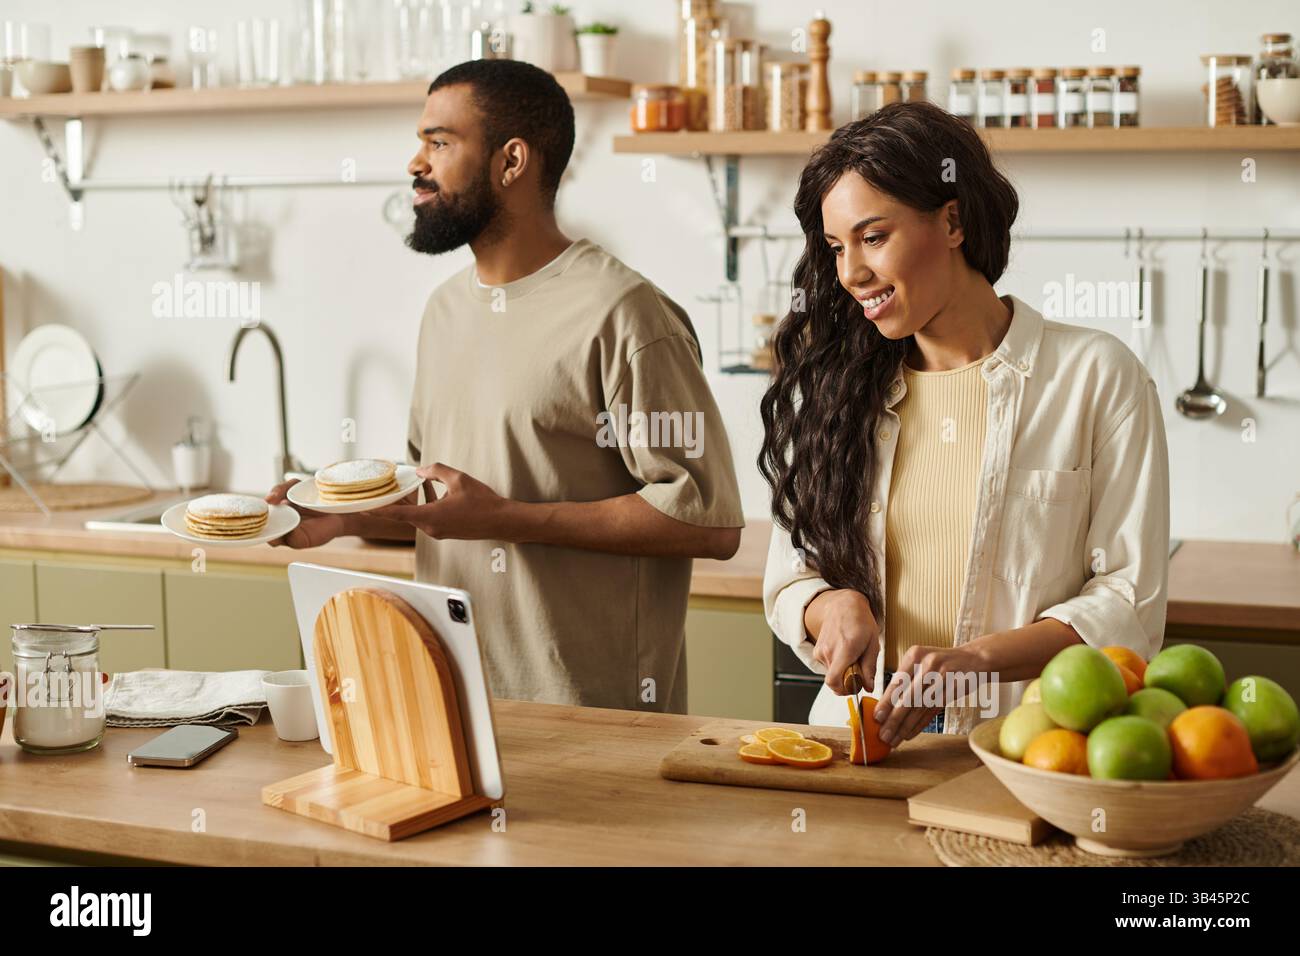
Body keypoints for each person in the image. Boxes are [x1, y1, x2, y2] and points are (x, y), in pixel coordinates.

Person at [269, 59, 744, 714]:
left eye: (439, 142)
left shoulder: (625, 312)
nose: (416, 163)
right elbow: (444, 509)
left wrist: (508, 519)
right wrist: (340, 518)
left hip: (594, 719)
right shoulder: (443, 312)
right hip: (459, 706)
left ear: (511, 161)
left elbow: (710, 522)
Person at [760, 101, 1169, 744]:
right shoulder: (840, 392)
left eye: (873, 237)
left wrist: (975, 662)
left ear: (951, 221)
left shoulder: (1096, 376)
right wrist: (828, 605)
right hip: (859, 745)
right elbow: (790, 576)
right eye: (836, 248)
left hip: (1030, 750)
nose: (850, 273)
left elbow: (1128, 602)